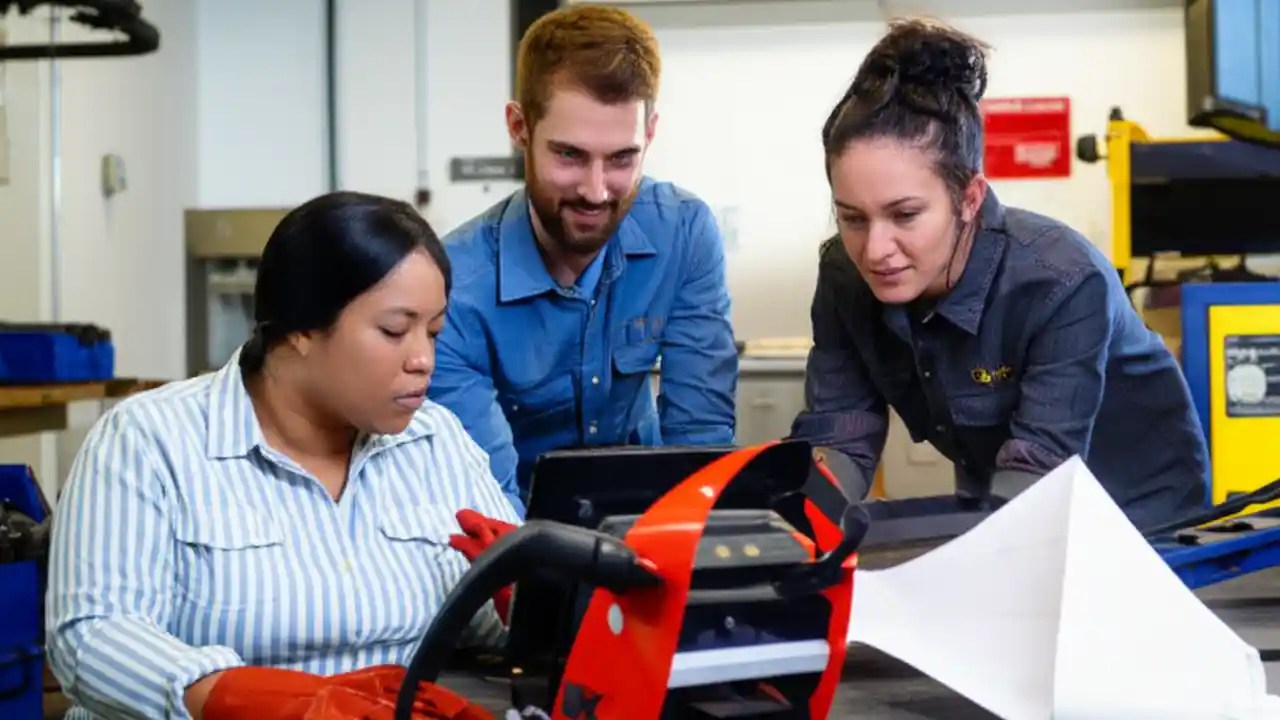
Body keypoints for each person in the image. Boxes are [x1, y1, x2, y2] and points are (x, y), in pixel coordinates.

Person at [45, 192, 517, 720]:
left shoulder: (436, 442)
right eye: (393, 331)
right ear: (302, 328)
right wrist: (238, 697)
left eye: (432, 332)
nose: (423, 359)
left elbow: (496, 632)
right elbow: (91, 636)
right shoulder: (149, 441)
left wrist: (531, 600)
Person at [789, 19, 1208, 529]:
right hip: (1001, 499)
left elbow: (1036, 471)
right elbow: (839, 432)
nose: (875, 251)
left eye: (905, 215)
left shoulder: (1063, 280)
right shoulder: (843, 274)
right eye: (852, 218)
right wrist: (804, 529)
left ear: (969, 198)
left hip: (1142, 514)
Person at [428, 5, 738, 516]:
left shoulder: (683, 233)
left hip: (648, 525)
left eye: (621, 158)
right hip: (517, 531)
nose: (596, 192)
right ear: (519, 127)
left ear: (650, 133)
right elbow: (486, 495)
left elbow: (700, 441)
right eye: (569, 155)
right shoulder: (452, 286)